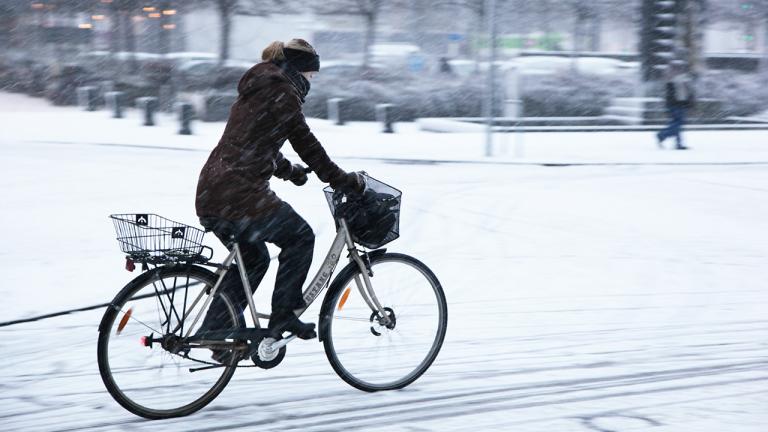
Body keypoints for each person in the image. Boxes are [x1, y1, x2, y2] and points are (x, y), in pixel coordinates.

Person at [194, 38, 364, 345]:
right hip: (239, 194)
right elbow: (306, 142)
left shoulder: (260, 86)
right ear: (300, 71)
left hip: (214, 189)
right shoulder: (280, 91)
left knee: (254, 258)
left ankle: (216, 332)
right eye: (311, 77)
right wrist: (342, 180)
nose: (311, 84)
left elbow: (257, 142)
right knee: (300, 236)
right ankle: (284, 313)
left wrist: (291, 172)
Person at [656, 66, 695, 150]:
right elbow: (683, 94)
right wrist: (688, 103)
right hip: (677, 105)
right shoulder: (679, 79)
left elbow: (678, 93)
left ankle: (678, 143)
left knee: (677, 124)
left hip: (674, 104)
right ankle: (662, 135)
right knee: (677, 124)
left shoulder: (673, 79)